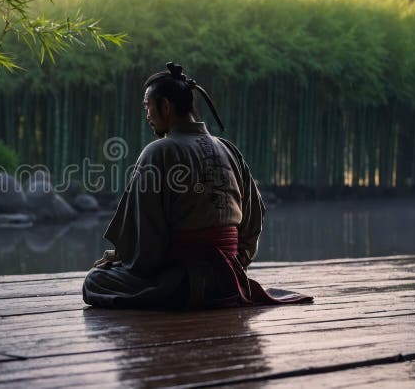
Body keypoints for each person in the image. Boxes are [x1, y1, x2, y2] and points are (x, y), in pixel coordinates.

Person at [82, 62, 311, 309]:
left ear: (166, 106)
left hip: (181, 281)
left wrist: (123, 259)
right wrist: (235, 263)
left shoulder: (158, 152)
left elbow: (148, 243)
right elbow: (254, 219)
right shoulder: (228, 149)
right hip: (230, 280)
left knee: (95, 280)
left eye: (148, 106)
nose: (147, 115)